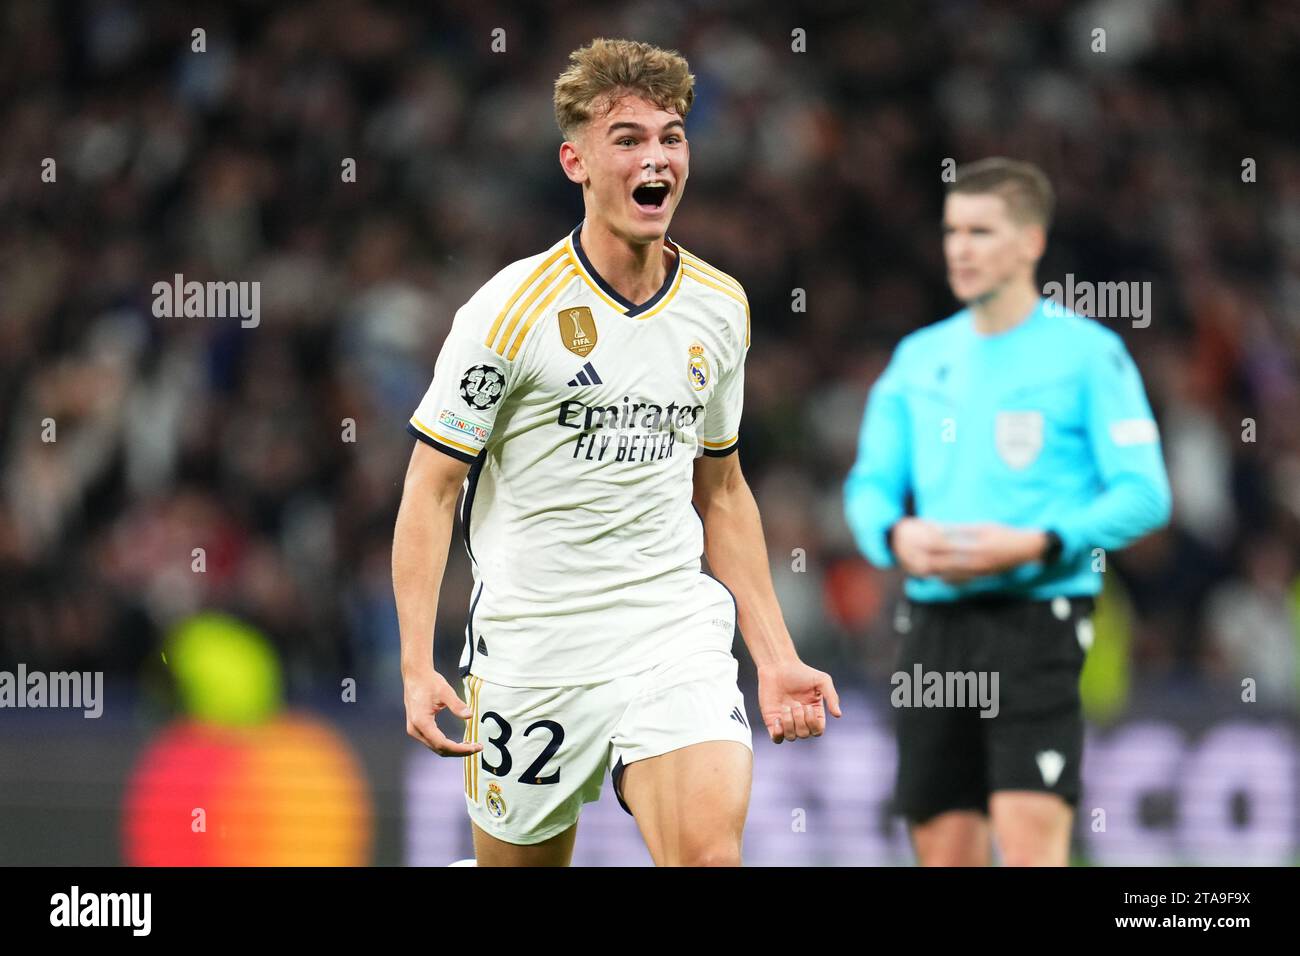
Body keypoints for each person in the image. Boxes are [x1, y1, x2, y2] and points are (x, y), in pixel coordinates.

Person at [393, 37, 839, 867]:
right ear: (576, 162)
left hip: (669, 628)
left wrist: (775, 657)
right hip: (535, 646)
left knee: (708, 857)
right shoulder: (508, 312)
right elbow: (431, 488)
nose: (656, 156)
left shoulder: (718, 307)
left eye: (671, 135)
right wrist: (416, 665)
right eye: (628, 138)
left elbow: (725, 492)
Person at [843, 158, 1171, 866]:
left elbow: (1146, 492)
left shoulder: (1090, 354)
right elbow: (868, 486)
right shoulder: (918, 358)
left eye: (981, 231)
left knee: (1029, 844)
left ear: (1030, 243)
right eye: (952, 231)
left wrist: (1042, 542)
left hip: (1036, 621)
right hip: (933, 626)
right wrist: (895, 536)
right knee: (945, 851)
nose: (959, 248)